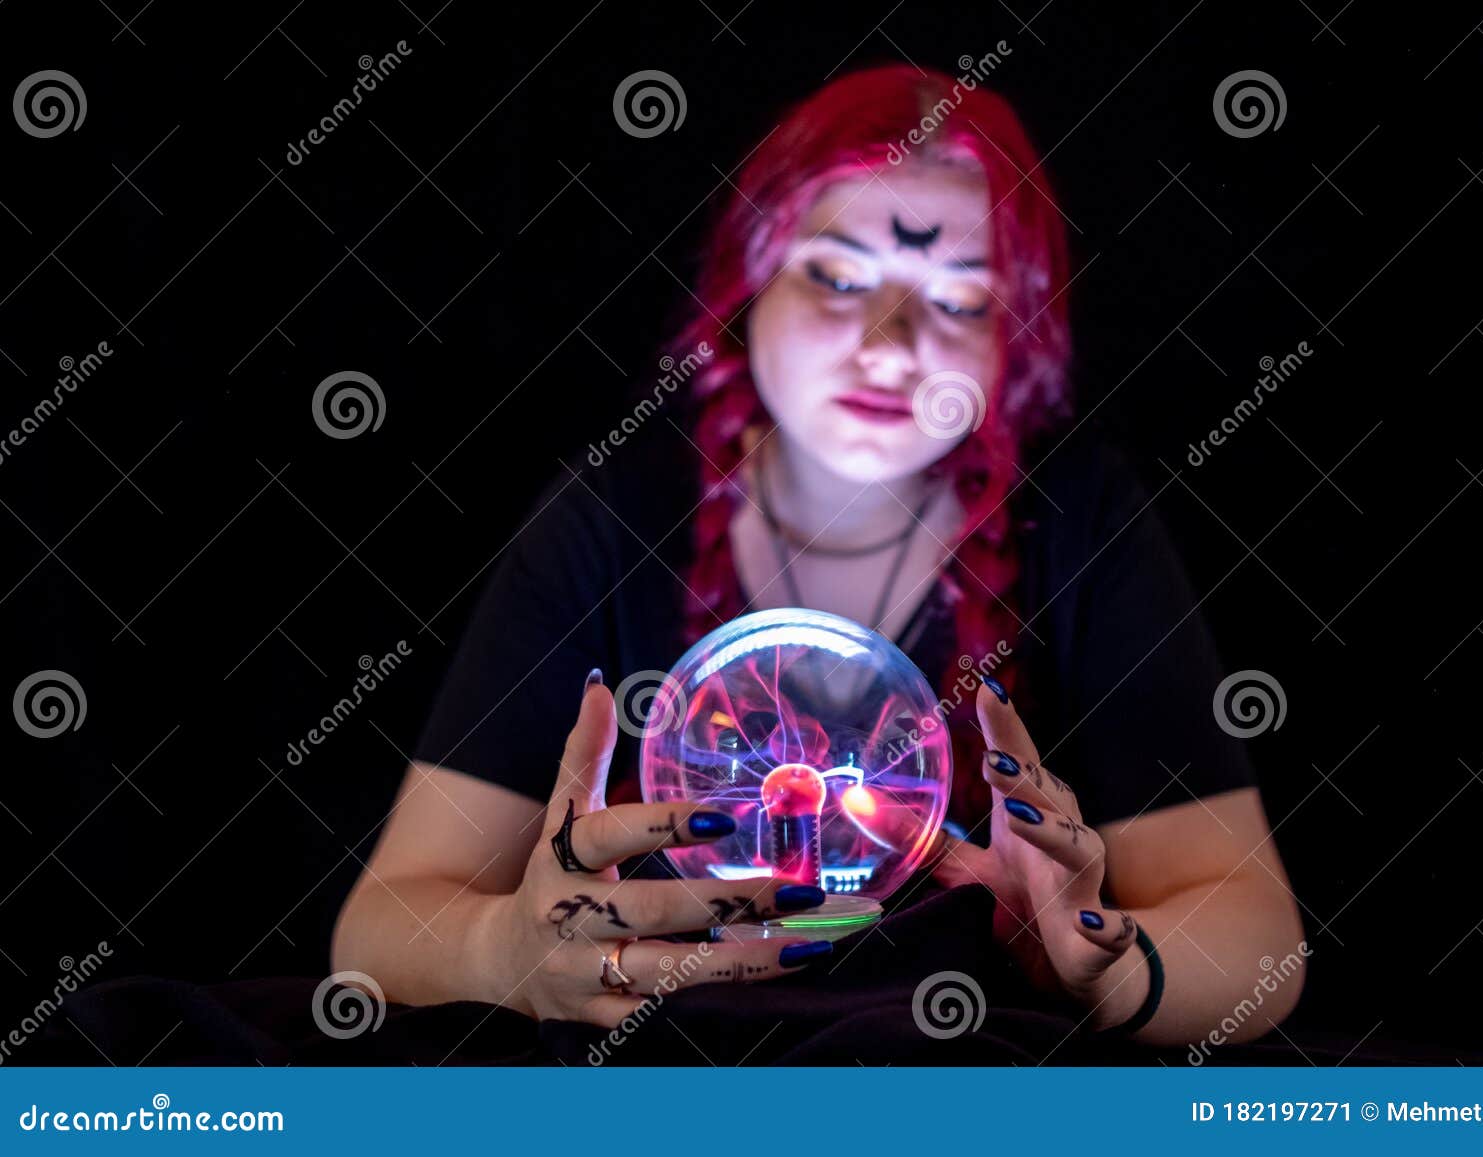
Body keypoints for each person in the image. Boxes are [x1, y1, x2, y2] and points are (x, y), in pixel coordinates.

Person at [332, 65, 1306, 1048]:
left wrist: (1106, 964)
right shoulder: (616, 515)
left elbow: (1257, 938)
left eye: (963, 300)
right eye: (837, 276)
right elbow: (378, 933)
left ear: (1019, 340)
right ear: (746, 278)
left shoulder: (1078, 517)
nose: (889, 347)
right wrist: (505, 949)